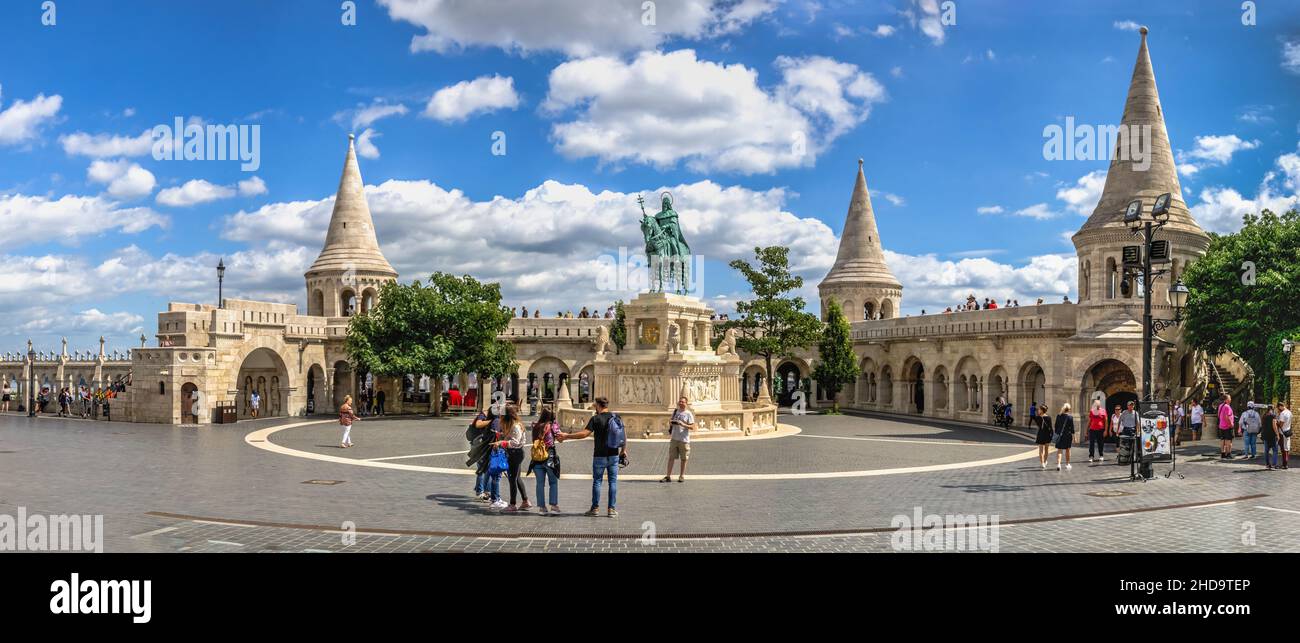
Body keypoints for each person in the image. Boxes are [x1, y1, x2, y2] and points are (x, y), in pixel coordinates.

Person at [557, 396, 625, 517]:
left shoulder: (596, 419)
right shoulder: (616, 417)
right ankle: (611, 509)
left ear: (598, 405)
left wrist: (567, 436)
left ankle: (595, 509)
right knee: (613, 482)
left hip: (599, 455)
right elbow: (623, 436)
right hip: (614, 455)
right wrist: (623, 451)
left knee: (597, 482)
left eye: (595, 405)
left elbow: (584, 434)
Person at [494, 403, 532, 512]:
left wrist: (502, 442)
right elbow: (510, 437)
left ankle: (512, 504)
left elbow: (515, 442)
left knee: (512, 479)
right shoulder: (513, 424)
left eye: (502, 414)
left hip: (515, 453)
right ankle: (525, 501)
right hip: (515, 453)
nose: (500, 417)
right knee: (516, 478)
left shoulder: (515, 426)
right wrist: (501, 436)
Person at [529, 406, 562, 514]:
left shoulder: (535, 425)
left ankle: (542, 508)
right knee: (553, 482)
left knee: (540, 483)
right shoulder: (552, 426)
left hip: (537, 458)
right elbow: (559, 437)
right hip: (549, 457)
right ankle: (554, 506)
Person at [661, 396, 696, 483]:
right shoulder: (675, 412)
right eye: (679, 402)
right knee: (671, 457)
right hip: (674, 438)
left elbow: (692, 427)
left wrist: (682, 424)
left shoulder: (688, 414)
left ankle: (681, 476)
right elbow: (671, 422)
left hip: (684, 439)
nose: (680, 403)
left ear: (686, 404)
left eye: (682, 402)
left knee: (684, 458)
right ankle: (668, 476)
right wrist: (671, 422)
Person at [1054, 403, 1075, 471]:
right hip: (1067, 435)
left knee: (1059, 450)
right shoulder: (1070, 417)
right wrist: (1074, 436)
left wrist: (1058, 432)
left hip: (1060, 435)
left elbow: (1056, 426)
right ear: (1069, 410)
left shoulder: (1058, 416)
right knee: (1068, 450)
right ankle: (1067, 464)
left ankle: (1059, 464)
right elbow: (1072, 428)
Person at [1034, 402, 1055, 469]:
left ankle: (1042, 463)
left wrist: (1039, 416)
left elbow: (1038, 425)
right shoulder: (1049, 418)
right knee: (1046, 449)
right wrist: (1052, 434)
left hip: (1040, 434)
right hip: (1047, 434)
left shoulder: (1037, 417)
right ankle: (1045, 461)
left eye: (1039, 409)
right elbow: (1050, 427)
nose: (1038, 410)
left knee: (1040, 450)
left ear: (1042, 410)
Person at [1217, 393, 1236, 460]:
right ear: (1226, 399)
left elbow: (1219, 415)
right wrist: (1231, 424)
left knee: (1222, 440)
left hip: (1221, 425)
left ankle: (1223, 453)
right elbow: (1226, 417)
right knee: (1229, 440)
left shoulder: (1220, 406)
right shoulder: (1227, 407)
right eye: (1229, 398)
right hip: (1227, 426)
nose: (1230, 399)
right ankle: (1228, 453)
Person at [1261, 404, 1279, 470]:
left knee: (1266, 450)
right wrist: (1277, 434)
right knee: (1275, 450)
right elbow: (1274, 426)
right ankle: (1274, 464)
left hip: (1265, 435)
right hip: (1272, 435)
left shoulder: (1264, 416)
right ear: (1272, 409)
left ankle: (1267, 464)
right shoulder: (1273, 416)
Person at [1278, 401, 1292, 470]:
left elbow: (1281, 424)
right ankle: (1286, 463)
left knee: (1283, 449)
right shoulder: (1289, 412)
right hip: (1288, 431)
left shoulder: (1283, 413)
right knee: (1287, 448)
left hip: (1283, 432)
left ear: (1280, 406)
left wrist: (1277, 424)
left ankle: (1285, 464)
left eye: (1279, 408)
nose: (1279, 409)